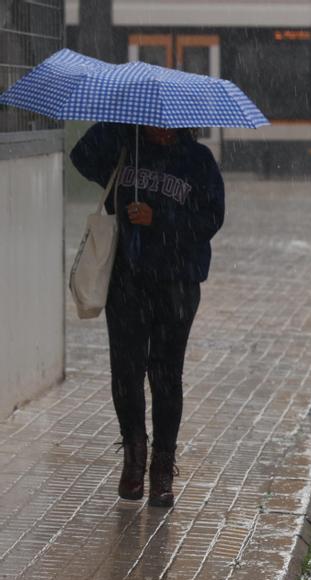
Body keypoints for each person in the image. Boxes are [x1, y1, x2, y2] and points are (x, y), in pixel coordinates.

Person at [71, 123, 225, 508]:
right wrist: (118, 119)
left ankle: (161, 468)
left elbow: (210, 221)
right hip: (127, 281)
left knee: (165, 374)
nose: (157, 125)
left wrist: (158, 218)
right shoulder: (125, 148)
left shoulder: (197, 161)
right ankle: (134, 456)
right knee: (125, 372)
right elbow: (81, 155)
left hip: (177, 282)